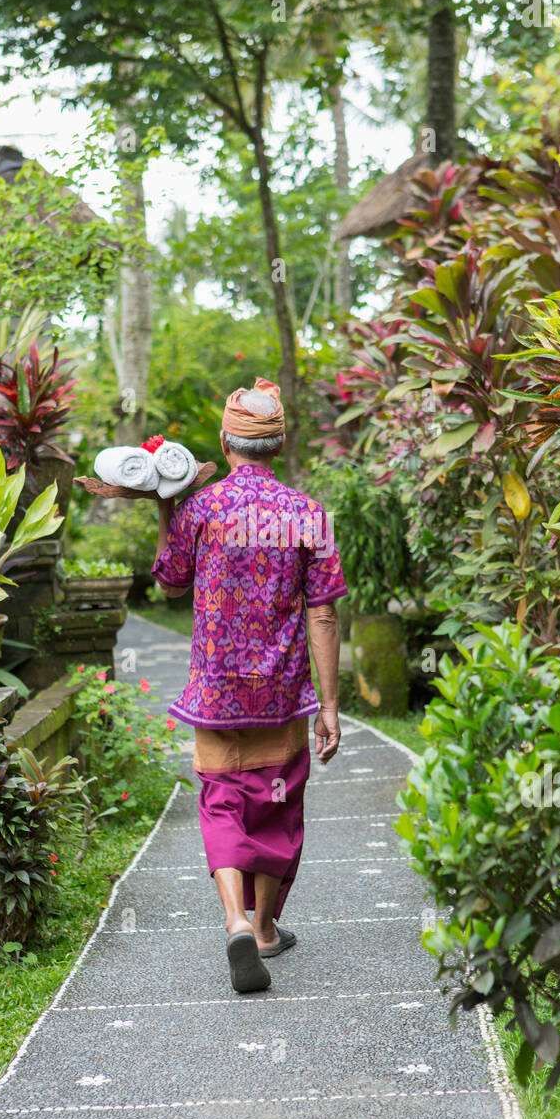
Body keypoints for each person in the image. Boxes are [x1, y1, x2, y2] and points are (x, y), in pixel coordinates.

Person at [151, 378, 346, 994]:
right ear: (279, 445)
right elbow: (323, 613)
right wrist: (331, 706)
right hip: (283, 693)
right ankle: (264, 929)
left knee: (221, 802)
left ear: (225, 443)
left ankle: (235, 920)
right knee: (277, 803)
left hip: (215, 693)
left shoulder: (201, 509)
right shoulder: (308, 514)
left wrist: (164, 506)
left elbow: (169, 583)